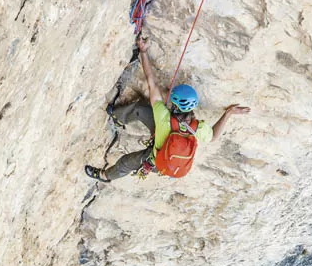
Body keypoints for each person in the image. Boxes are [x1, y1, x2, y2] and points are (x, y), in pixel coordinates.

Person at [85, 36, 250, 181]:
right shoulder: (197, 127)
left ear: (175, 104)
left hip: (158, 159)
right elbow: (213, 136)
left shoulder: (163, 117)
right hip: (166, 156)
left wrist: (143, 51)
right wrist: (228, 114)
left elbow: (151, 82)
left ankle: (105, 175)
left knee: (127, 161)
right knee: (142, 113)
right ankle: (117, 118)